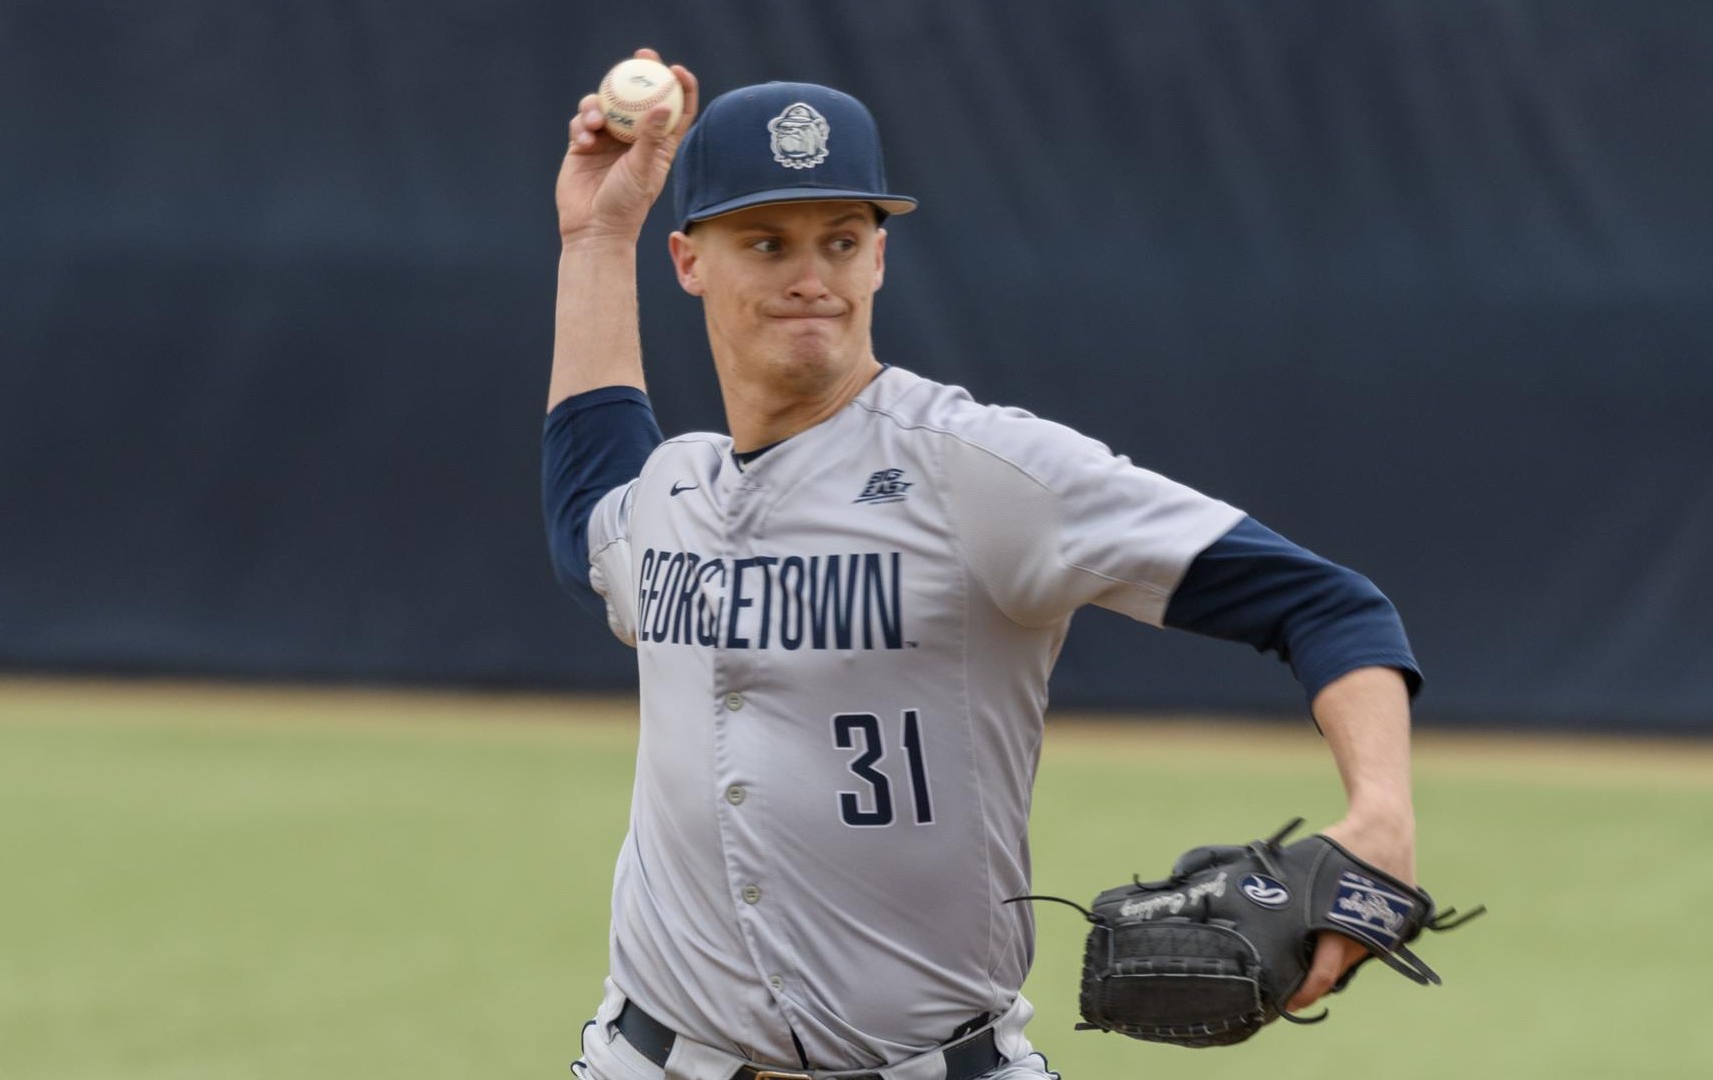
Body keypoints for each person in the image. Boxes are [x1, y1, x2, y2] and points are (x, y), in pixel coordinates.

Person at [544, 48, 1422, 1080]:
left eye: (843, 238)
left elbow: (1327, 606)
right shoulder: (671, 495)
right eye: (767, 242)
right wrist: (600, 234)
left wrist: (1382, 817)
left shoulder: (986, 472)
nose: (812, 276)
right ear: (690, 261)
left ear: (879, 258)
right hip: (650, 1059)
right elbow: (585, 514)